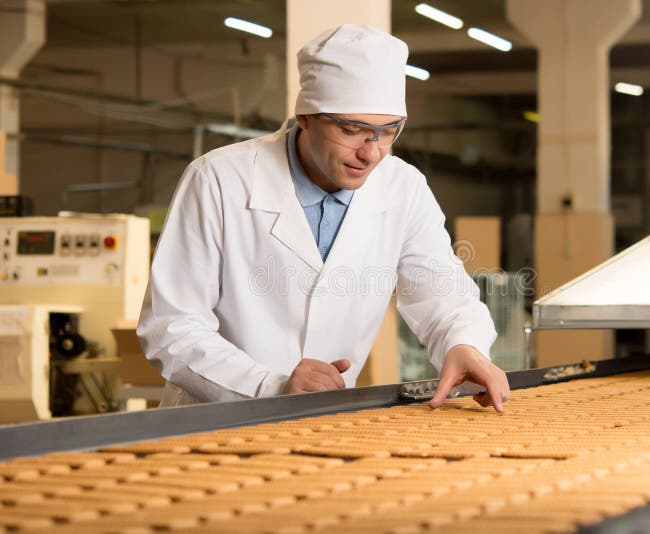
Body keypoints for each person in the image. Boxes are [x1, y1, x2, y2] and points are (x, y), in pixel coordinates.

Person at [137, 24, 510, 412]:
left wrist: (464, 345)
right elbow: (171, 327)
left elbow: (442, 294)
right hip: (216, 417)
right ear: (305, 117)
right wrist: (270, 386)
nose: (372, 153)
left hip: (327, 419)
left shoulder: (404, 187)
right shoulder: (218, 179)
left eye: (388, 131)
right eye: (351, 130)